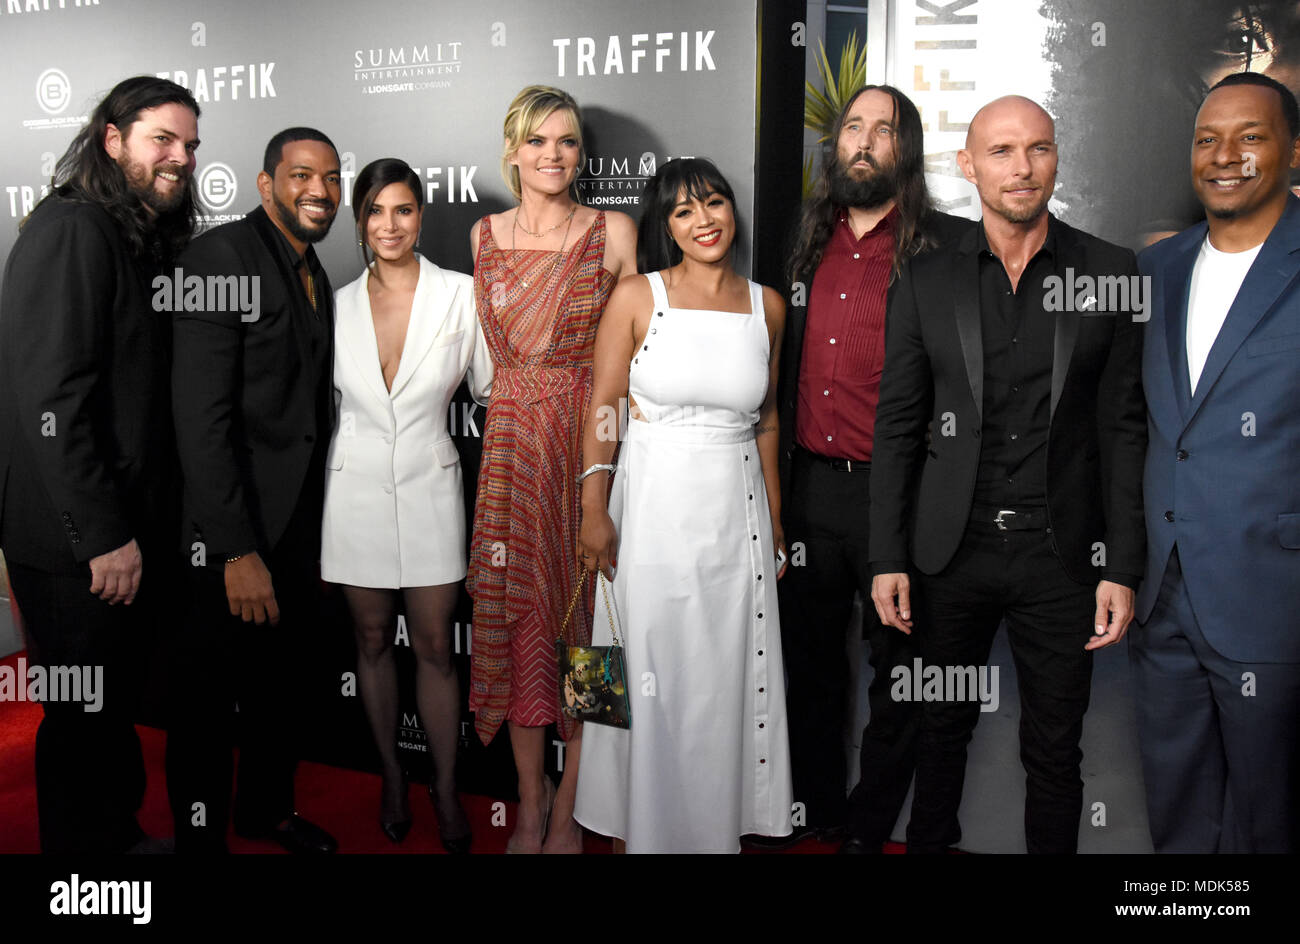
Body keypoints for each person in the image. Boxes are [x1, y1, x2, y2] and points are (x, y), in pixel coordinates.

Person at [869, 96, 1146, 854]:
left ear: (1057, 158)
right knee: (938, 734)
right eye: (1000, 151)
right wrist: (888, 555)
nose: (1021, 168)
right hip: (948, 554)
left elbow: (1124, 430)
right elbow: (896, 426)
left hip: (1063, 559)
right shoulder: (925, 278)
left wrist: (1122, 563)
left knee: (1056, 754)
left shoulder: (1112, 272)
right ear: (968, 165)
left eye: (1038, 149)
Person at [0, 75, 199, 854]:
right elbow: (53, 401)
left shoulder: (127, 232)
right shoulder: (72, 228)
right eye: (163, 139)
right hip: (72, 542)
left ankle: (114, 837)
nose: (180, 157)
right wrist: (102, 537)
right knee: (79, 714)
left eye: (189, 145)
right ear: (112, 139)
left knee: (105, 707)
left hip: (110, 532)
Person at [572, 157, 793, 853]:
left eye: (716, 203)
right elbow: (603, 407)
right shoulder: (639, 295)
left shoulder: (769, 306)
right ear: (665, 226)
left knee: (718, 680)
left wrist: (777, 523)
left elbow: (769, 422)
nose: (706, 221)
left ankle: (708, 831)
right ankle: (624, 827)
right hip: (651, 510)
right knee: (636, 668)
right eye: (684, 211)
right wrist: (592, 511)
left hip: (737, 521)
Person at [774, 84, 972, 852]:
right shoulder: (805, 242)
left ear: (905, 152)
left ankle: (867, 821)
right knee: (812, 666)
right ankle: (813, 805)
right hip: (809, 489)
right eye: (852, 127)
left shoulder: (946, 249)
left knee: (899, 674)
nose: (862, 141)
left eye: (882, 130)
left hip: (901, 498)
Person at [466, 85, 637, 854]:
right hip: (508, 453)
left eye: (567, 142)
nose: (553, 156)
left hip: (585, 448)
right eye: (538, 141)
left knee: (587, 626)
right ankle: (529, 801)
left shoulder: (616, 232)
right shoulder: (482, 236)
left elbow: (636, 352)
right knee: (516, 623)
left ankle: (575, 800)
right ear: (513, 151)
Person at [1133, 72, 1300, 853]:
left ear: (1293, 150)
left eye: (1251, 136)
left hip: (1272, 596)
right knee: (1178, 813)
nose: (1224, 156)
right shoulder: (1156, 272)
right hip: (1164, 594)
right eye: (1207, 139)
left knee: (1270, 817)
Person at [167, 127, 342, 854]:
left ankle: (264, 812)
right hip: (229, 534)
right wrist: (235, 549)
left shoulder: (311, 267)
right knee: (208, 703)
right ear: (266, 184)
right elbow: (199, 421)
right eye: (302, 175)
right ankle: (199, 843)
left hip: (297, 526)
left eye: (331, 178)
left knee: (279, 690)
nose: (320, 192)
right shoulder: (218, 256)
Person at [320, 158, 492, 852]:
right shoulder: (332, 305)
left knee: (433, 649)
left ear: (421, 215)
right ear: (359, 221)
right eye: (375, 212)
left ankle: (445, 790)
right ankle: (392, 776)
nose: (389, 226)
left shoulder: (463, 295)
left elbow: (490, 392)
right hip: (353, 489)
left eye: (403, 210)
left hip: (430, 487)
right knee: (368, 642)